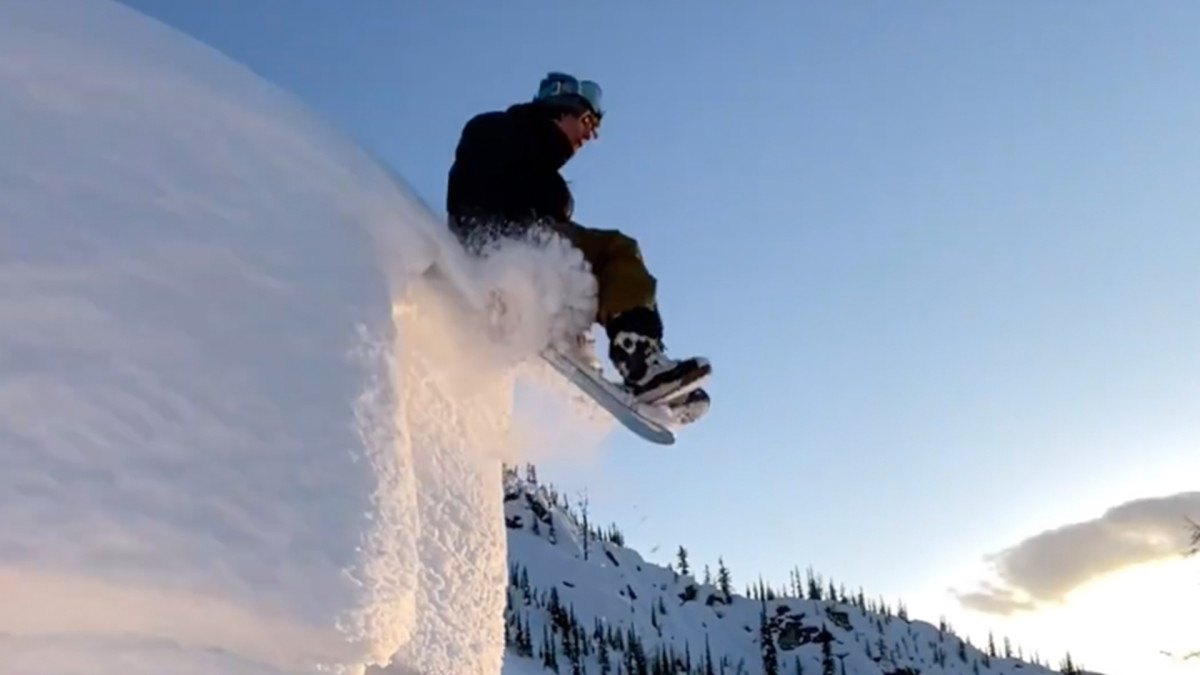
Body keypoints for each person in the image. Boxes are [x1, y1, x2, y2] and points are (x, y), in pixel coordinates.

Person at [445, 71, 710, 416]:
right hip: (499, 251)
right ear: (560, 109)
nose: (591, 134)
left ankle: (600, 364)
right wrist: (492, 246)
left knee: (583, 270)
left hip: (518, 259)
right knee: (614, 251)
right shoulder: (499, 131)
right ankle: (639, 360)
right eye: (587, 120)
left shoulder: (549, 179)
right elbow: (473, 193)